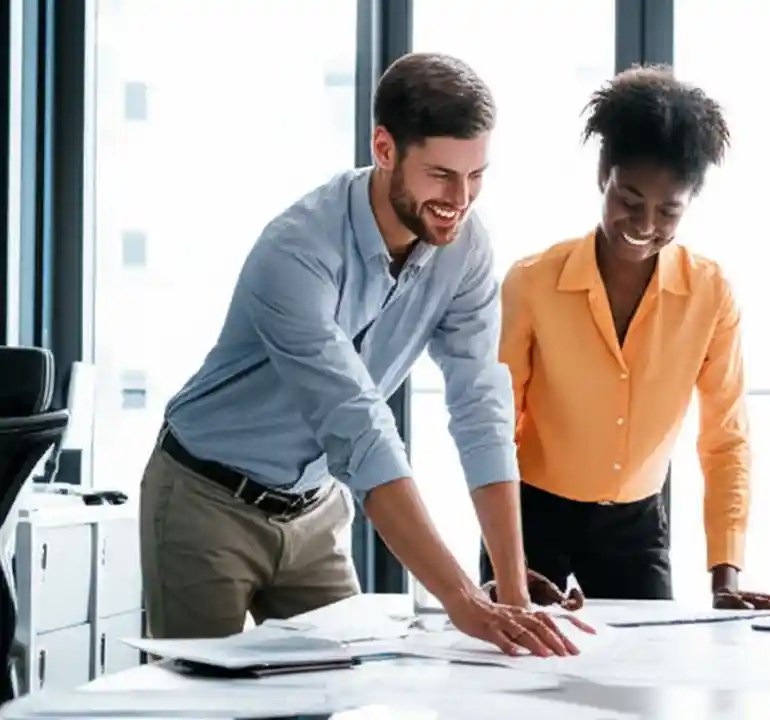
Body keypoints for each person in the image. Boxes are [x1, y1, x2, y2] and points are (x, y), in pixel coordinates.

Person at [138, 52, 587, 657]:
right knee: (203, 695)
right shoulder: (297, 251)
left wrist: (513, 591)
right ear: (384, 148)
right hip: (207, 498)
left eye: (476, 175)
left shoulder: (466, 250)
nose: (460, 199)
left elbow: (482, 406)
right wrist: (461, 598)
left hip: (314, 510)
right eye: (441, 175)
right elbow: (359, 427)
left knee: (346, 685)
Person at [480, 65, 770, 611]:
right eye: (629, 199)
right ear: (604, 174)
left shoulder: (710, 294)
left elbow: (725, 439)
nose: (645, 224)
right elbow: (493, 426)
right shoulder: (532, 282)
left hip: (635, 528)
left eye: (668, 210)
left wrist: (726, 580)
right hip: (528, 518)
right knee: (517, 657)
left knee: (646, 665)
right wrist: (507, 562)